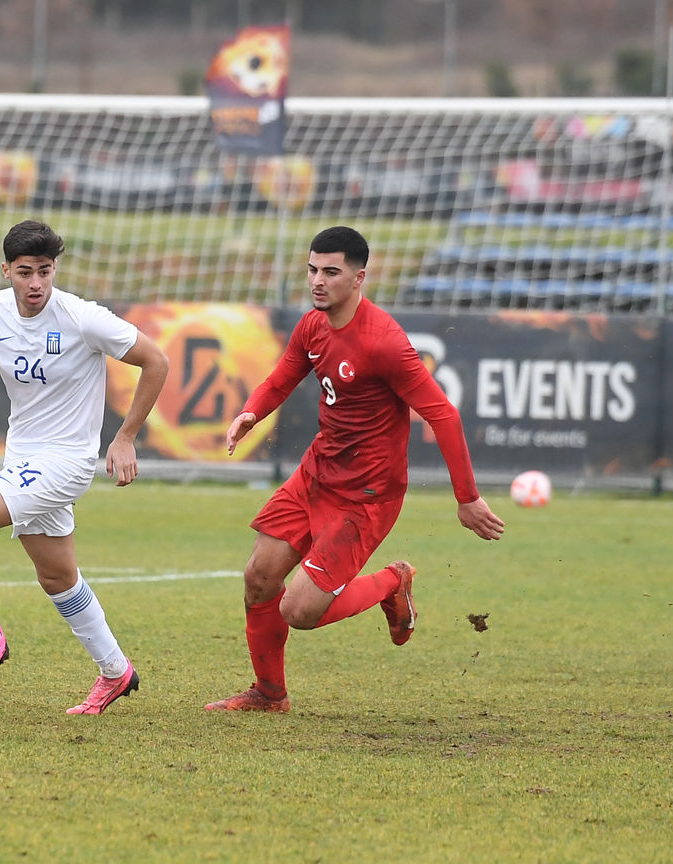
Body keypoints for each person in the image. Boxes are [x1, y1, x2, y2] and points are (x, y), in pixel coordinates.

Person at [206, 226, 505, 713]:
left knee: (298, 611)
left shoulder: (384, 342)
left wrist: (467, 497)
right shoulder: (312, 325)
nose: (317, 281)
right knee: (259, 577)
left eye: (330, 272)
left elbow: (443, 414)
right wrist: (251, 411)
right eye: (311, 270)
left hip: (365, 496)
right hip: (316, 474)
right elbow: (284, 375)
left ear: (359, 277)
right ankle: (269, 694)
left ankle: (393, 580)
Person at [0, 220, 169, 715]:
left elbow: (157, 361)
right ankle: (115, 672)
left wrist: (125, 437)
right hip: (21, 456)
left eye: (45, 271)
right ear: (7, 271)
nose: (36, 283)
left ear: (55, 270)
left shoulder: (82, 317)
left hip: (66, 462)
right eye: (25, 272)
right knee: (58, 577)